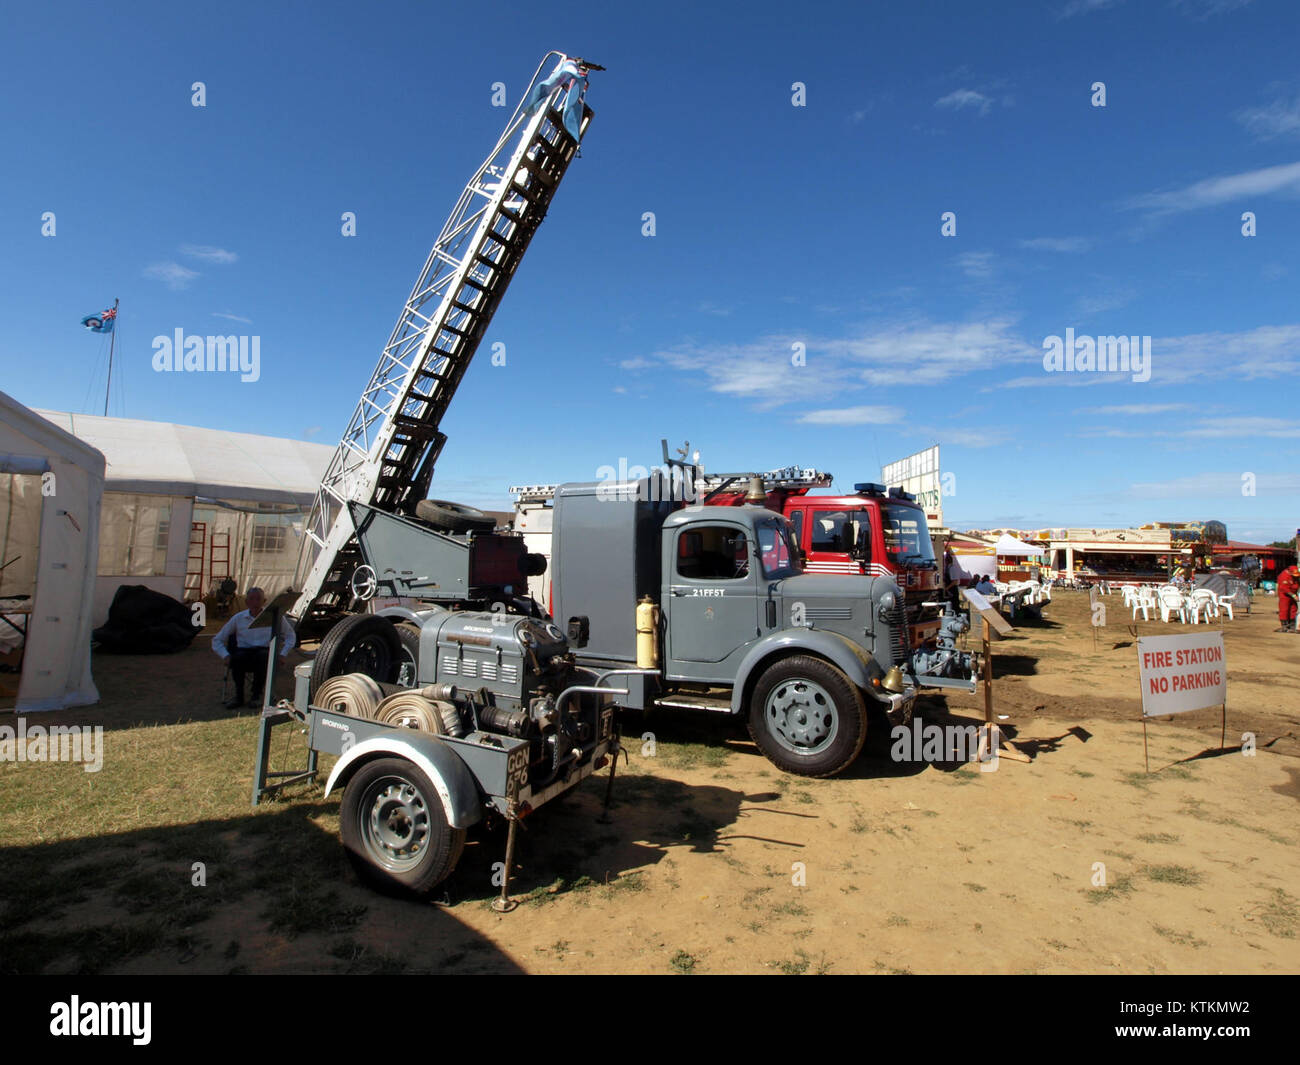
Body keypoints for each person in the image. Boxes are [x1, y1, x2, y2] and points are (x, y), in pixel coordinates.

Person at [213, 587, 296, 708]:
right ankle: (239, 696)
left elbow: (290, 636)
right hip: (244, 652)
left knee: (263, 657)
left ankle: (256, 695)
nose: (255, 602)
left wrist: (283, 654)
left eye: (258, 599)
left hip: (264, 652)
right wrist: (225, 655)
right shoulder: (238, 618)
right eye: (252, 599)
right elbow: (217, 640)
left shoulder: (275, 617)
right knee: (237, 658)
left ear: (264, 601)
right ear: (247, 602)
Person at [1277, 563, 1299, 633]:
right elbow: (1284, 588)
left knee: (1293, 609)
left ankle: (1292, 625)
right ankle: (1284, 626)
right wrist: (1293, 595)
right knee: (1284, 610)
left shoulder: (1295, 576)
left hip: (1293, 594)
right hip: (1285, 595)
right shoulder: (1284, 576)